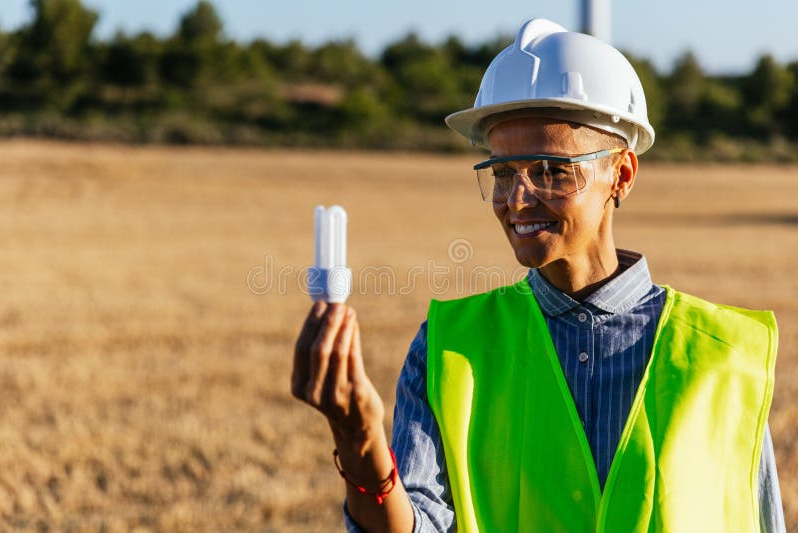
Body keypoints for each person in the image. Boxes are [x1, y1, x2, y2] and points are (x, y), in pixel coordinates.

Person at [291, 18, 786, 532]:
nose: (517, 199)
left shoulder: (726, 356)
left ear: (621, 174)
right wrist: (359, 439)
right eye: (503, 172)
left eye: (550, 170)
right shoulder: (450, 348)